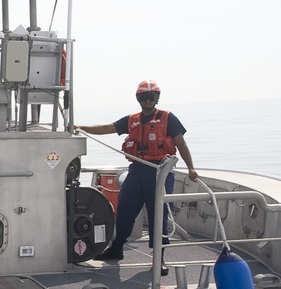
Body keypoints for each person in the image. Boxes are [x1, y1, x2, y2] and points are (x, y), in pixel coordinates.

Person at [76, 80, 198, 273]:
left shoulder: (168, 118)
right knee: (125, 209)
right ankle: (117, 248)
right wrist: (80, 127)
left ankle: (159, 258)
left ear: (157, 98)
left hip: (159, 172)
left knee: (159, 215)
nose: (148, 100)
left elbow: (181, 144)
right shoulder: (131, 120)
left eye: (151, 97)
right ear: (138, 99)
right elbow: (107, 128)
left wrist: (191, 168)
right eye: (144, 97)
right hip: (137, 171)